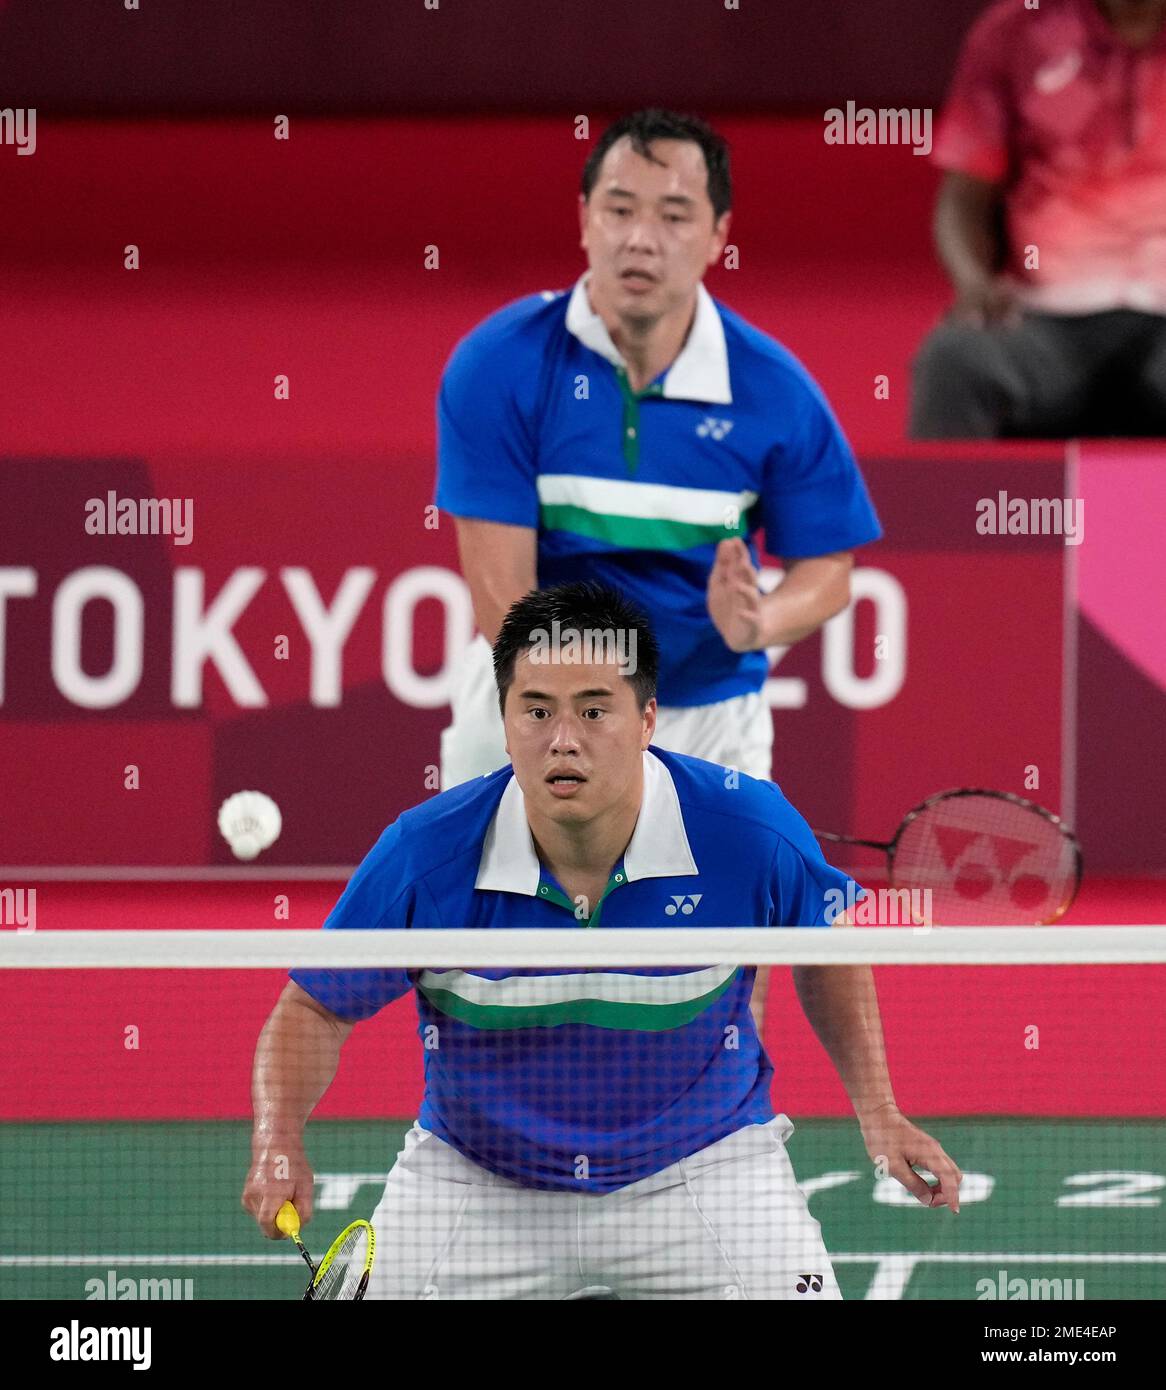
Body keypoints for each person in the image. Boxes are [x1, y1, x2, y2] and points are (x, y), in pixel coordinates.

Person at [242, 583, 961, 1301]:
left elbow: (827, 944)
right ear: (503, 719)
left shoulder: (747, 828)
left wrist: (879, 1112)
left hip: (703, 1168)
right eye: (536, 711)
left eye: (593, 710)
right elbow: (314, 1009)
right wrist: (278, 1136)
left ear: (648, 718)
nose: (564, 738)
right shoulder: (425, 854)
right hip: (476, 1178)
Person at [435, 107, 881, 790]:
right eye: (619, 210)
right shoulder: (500, 365)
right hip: (535, 691)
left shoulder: (774, 391)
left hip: (706, 712)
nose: (641, 240)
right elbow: (502, 596)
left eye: (674, 216)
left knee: (717, 900)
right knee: (482, 895)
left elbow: (829, 572)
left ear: (717, 236)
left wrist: (760, 619)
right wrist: (585, 715)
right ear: (585, 219)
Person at [911, 0, 1166, 438]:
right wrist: (974, 284)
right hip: (1043, 321)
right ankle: (947, 509)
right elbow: (962, 201)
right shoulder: (1015, 31)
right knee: (954, 358)